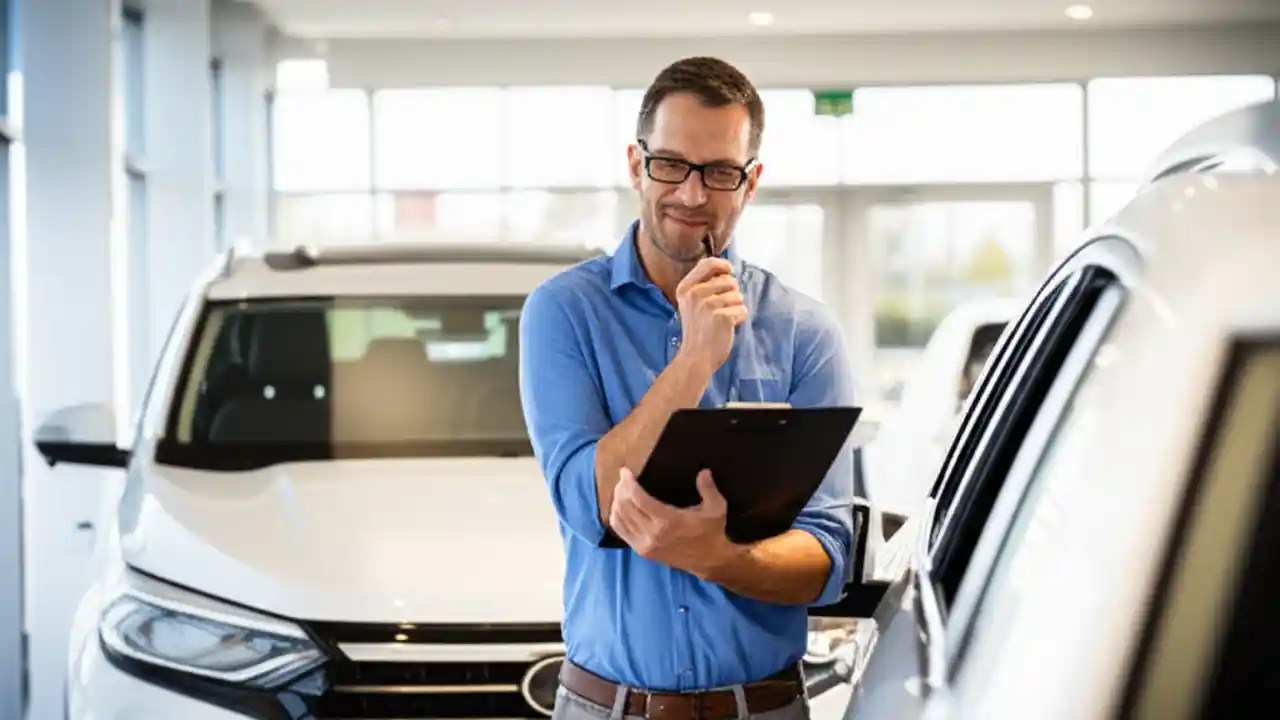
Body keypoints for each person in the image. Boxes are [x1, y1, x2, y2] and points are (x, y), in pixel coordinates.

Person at [519, 56, 856, 720]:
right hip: (607, 708)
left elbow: (829, 557)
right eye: (670, 164)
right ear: (635, 165)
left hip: (760, 708)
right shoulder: (563, 313)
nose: (692, 194)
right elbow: (588, 506)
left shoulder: (804, 331)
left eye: (720, 172)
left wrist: (721, 558)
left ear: (750, 181)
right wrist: (695, 360)